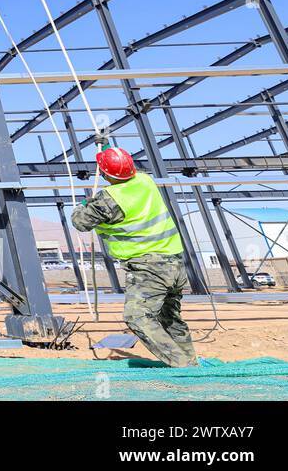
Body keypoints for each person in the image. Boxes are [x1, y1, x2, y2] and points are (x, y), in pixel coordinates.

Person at [71, 147, 198, 367]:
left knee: (137, 316)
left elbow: (80, 222)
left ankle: (181, 364)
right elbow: (119, 168)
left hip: (149, 268)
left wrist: (83, 204)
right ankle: (191, 362)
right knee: (169, 318)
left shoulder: (110, 199)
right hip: (174, 264)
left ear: (105, 174)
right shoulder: (145, 181)